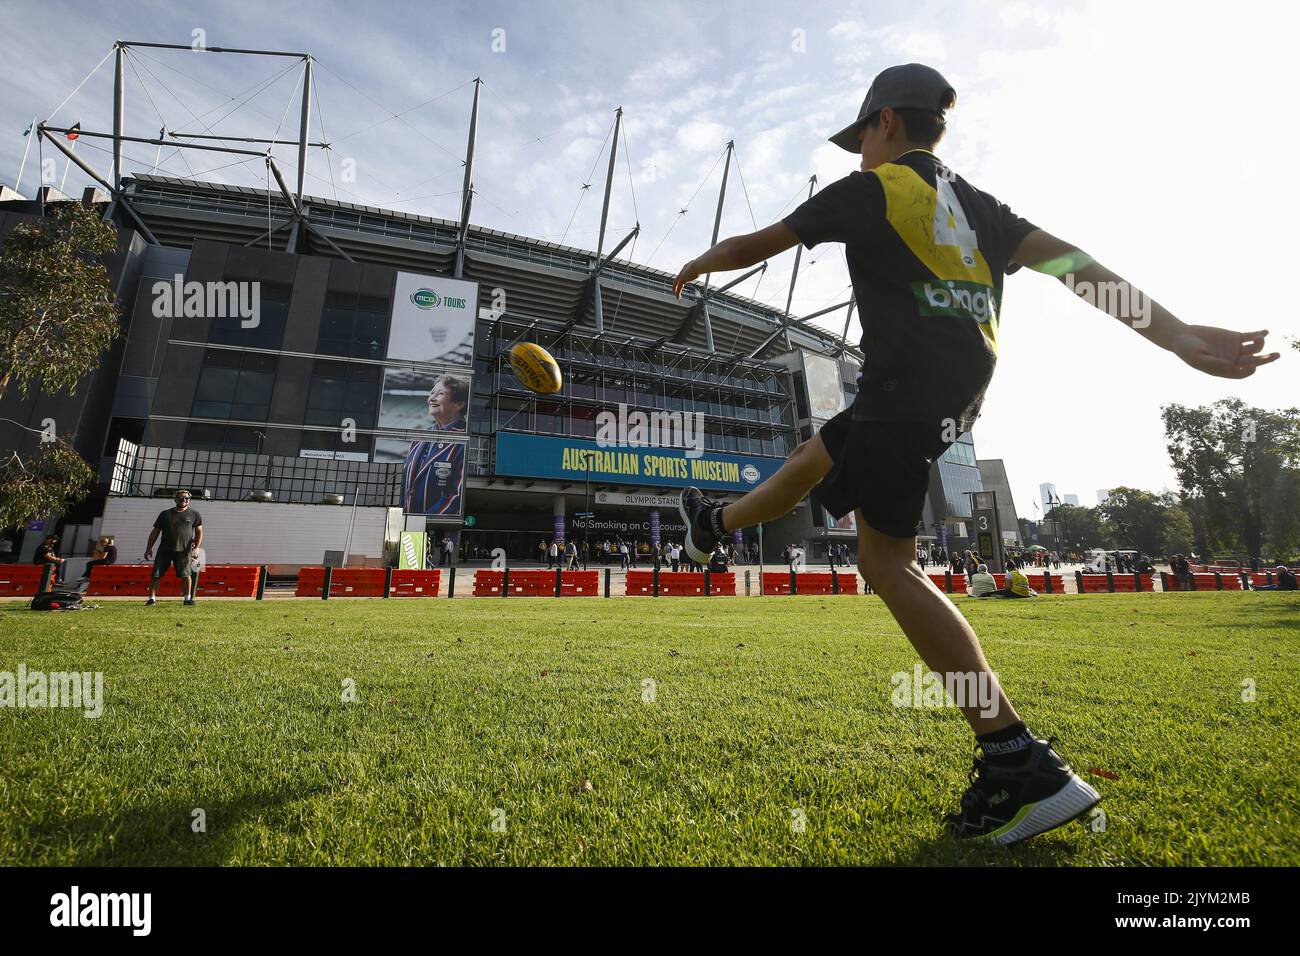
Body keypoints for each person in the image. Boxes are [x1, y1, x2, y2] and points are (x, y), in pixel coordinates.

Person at [673, 62, 1278, 844]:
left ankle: (1013, 758)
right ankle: (714, 524)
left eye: (861, 135)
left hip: (906, 382)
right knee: (818, 453)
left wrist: (697, 263)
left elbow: (755, 243)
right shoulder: (980, 204)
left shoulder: (870, 189)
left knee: (886, 563)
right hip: (958, 388)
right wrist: (1179, 335)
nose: (859, 149)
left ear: (884, 122)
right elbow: (1076, 268)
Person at [400, 374, 469, 517]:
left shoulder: (465, 440)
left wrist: (424, 522)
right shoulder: (419, 438)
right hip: (406, 523)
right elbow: (404, 486)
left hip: (436, 530)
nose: (432, 398)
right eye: (432, 393)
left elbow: (457, 495)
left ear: (459, 404)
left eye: (440, 393)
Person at [144, 490, 203, 606]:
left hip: (184, 551)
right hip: (164, 550)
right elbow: (155, 532)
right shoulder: (165, 514)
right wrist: (149, 548)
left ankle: (187, 599)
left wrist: (196, 548)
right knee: (156, 574)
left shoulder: (195, 514)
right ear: (175, 499)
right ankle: (151, 599)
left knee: (186, 575)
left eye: (186, 498)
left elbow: (199, 532)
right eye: (180, 498)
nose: (183, 500)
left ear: (189, 501)